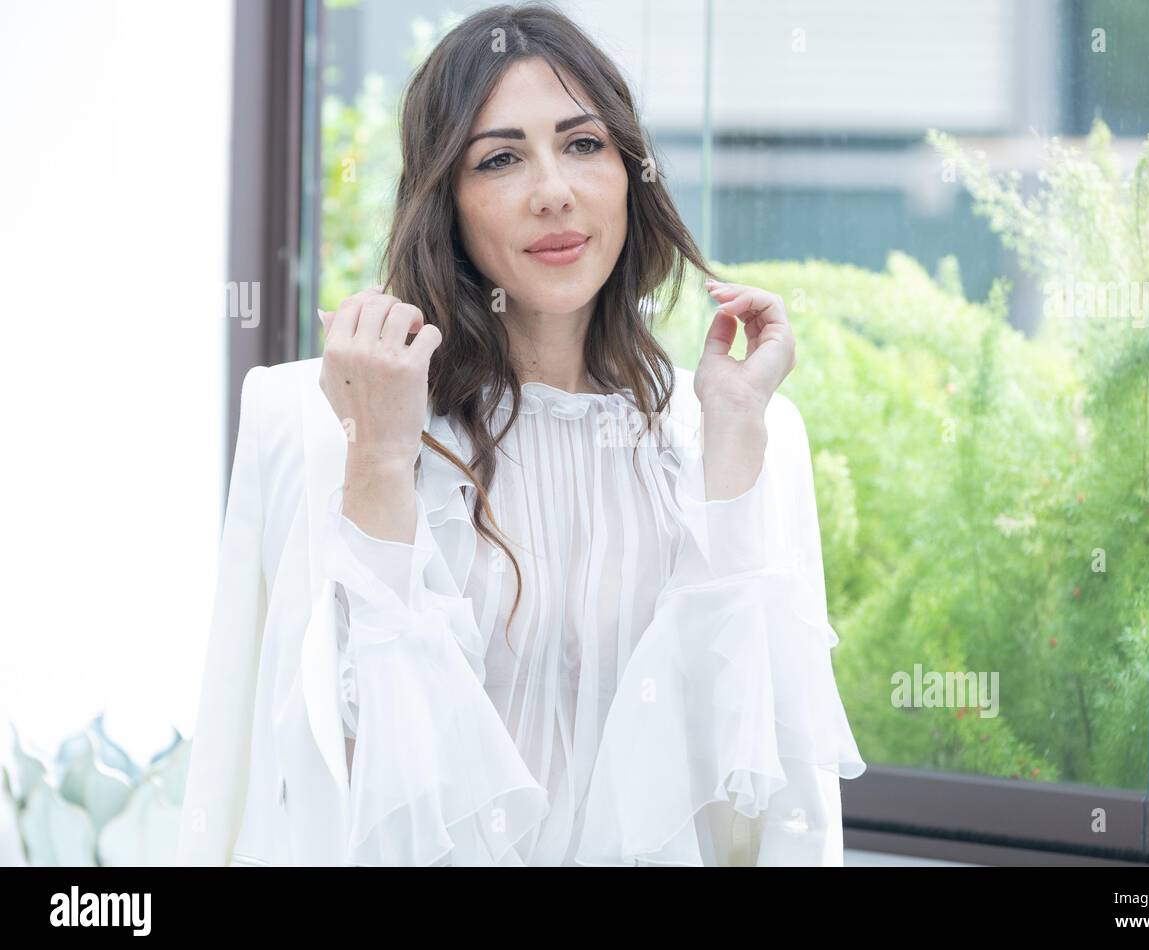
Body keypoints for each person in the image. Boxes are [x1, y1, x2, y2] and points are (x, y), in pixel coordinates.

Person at [177, 1, 865, 867]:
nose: (554, 191)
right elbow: (320, 777)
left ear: (630, 173)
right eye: (501, 159)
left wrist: (734, 440)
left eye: (584, 145)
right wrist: (380, 460)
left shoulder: (734, 426)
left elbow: (762, 783)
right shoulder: (314, 421)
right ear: (446, 202)